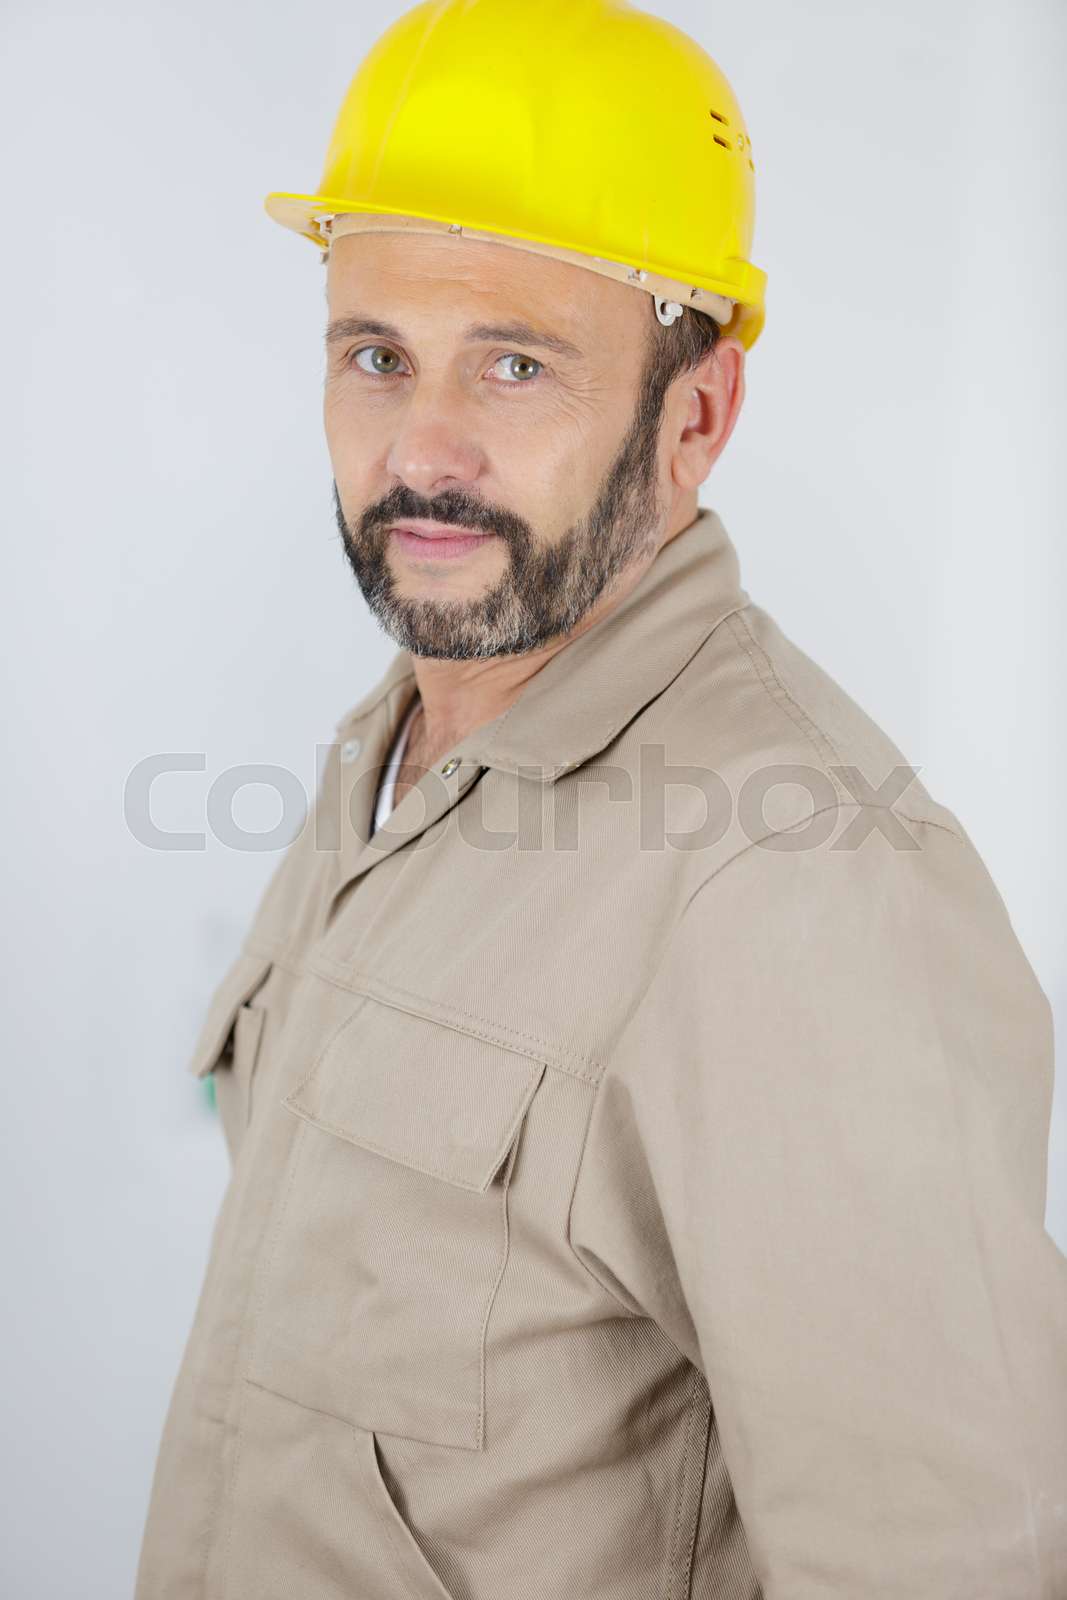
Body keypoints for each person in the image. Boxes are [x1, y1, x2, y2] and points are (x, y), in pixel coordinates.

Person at [135, 2, 1067, 1596]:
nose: (421, 449)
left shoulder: (799, 886)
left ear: (694, 416)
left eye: (515, 362)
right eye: (377, 356)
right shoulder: (401, 742)